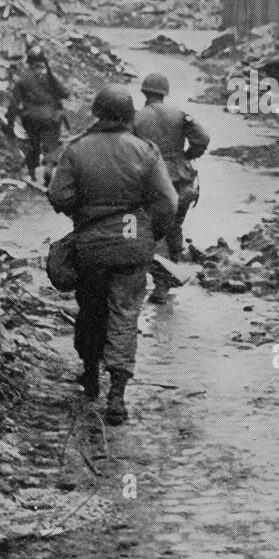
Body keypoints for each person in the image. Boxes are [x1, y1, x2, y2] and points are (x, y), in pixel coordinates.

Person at [47, 84, 177, 424]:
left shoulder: (78, 150)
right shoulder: (146, 151)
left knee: (91, 308)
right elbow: (168, 202)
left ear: (97, 112)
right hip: (134, 237)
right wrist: (153, 231)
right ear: (130, 114)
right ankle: (117, 396)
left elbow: (59, 195)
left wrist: (86, 208)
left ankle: (90, 374)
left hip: (91, 242)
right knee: (124, 313)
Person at [132, 71, 210, 299]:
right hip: (180, 178)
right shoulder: (180, 115)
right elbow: (202, 138)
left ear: (145, 92)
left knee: (150, 229)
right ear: (165, 93)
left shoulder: (136, 118)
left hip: (149, 179)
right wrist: (186, 155)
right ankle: (169, 274)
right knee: (174, 226)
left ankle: (156, 282)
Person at [7, 47, 69, 185]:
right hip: (52, 118)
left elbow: (13, 104)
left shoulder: (23, 79)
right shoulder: (50, 77)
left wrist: (9, 124)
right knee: (51, 145)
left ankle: (33, 175)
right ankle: (49, 168)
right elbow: (65, 93)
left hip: (31, 119)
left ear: (28, 62)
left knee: (33, 145)